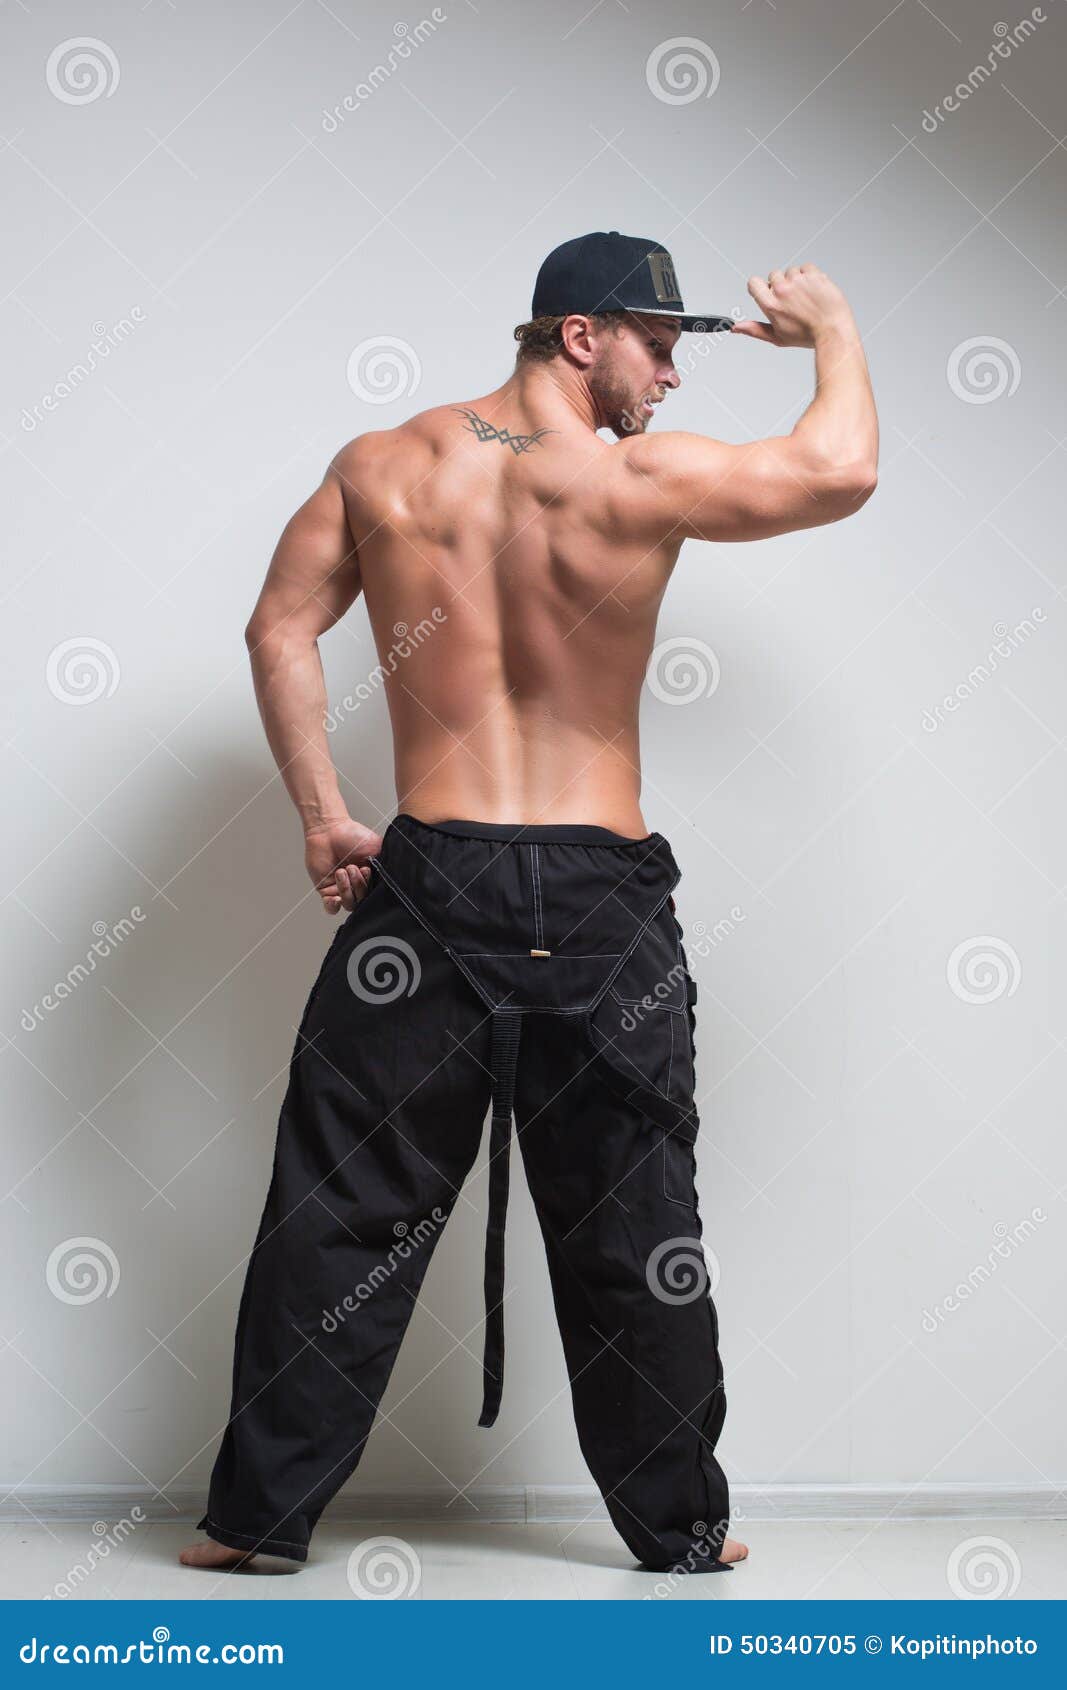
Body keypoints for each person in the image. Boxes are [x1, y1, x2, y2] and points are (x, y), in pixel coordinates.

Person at [181, 232, 878, 1576]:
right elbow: (840, 466)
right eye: (659, 345)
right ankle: (680, 1527)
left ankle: (254, 1524)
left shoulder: (386, 464)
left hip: (430, 885)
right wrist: (835, 326)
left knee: (341, 1209)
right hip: (597, 893)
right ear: (580, 335)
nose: (673, 378)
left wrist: (325, 811)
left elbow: (277, 624)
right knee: (634, 1217)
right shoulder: (636, 479)